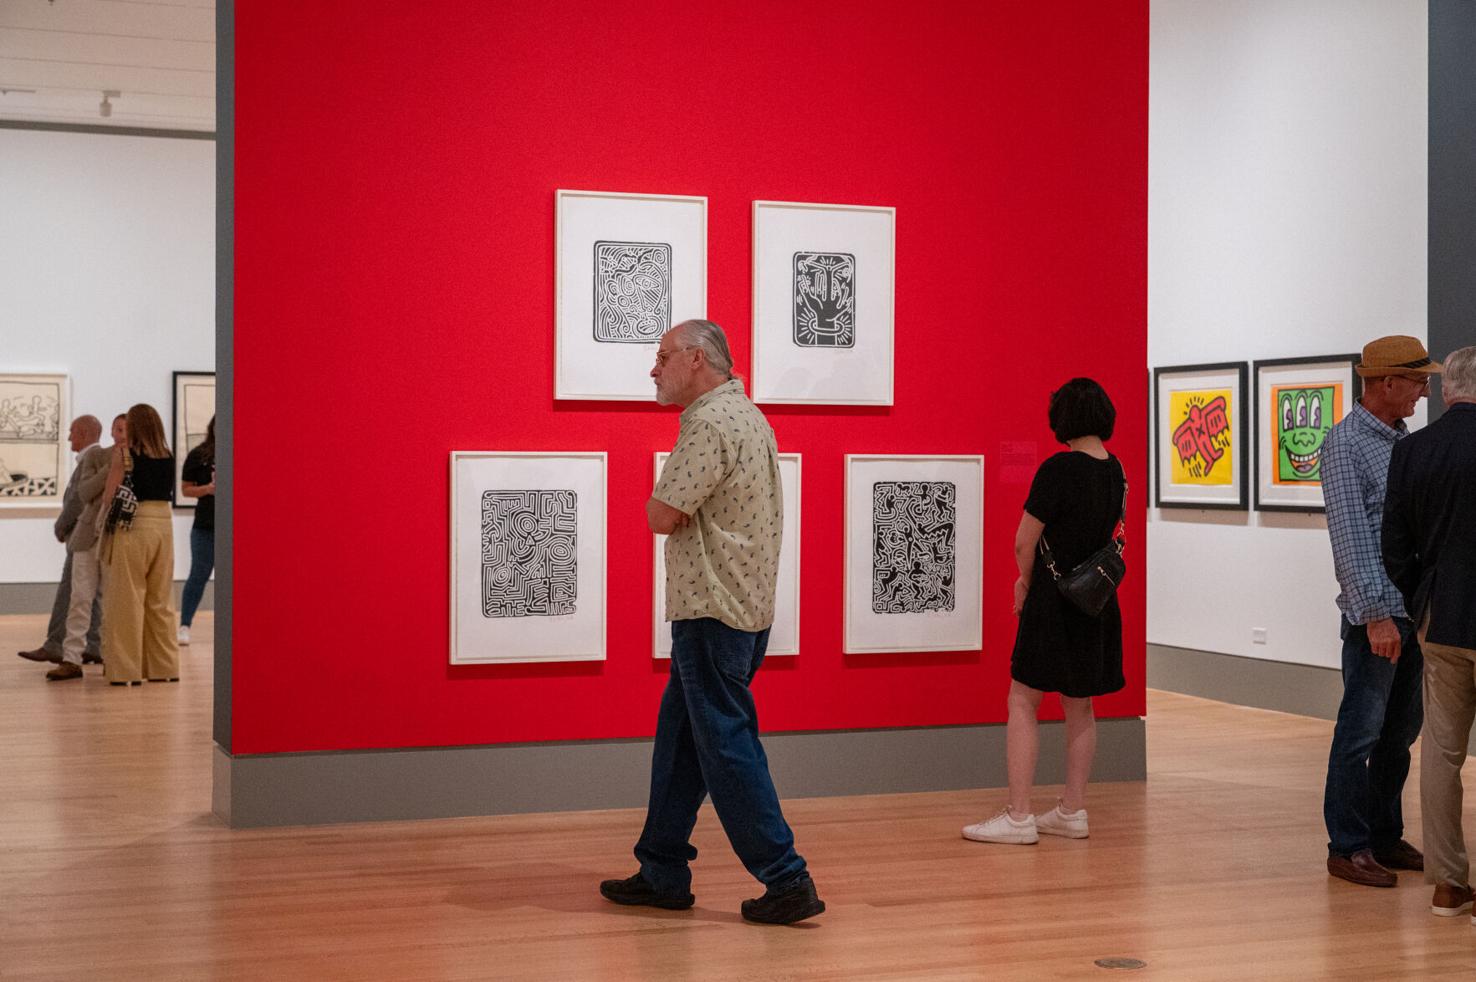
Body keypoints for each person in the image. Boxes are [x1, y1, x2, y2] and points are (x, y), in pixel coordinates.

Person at [599, 319, 824, 925]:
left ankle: (786, 877)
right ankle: (662, 868)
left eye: (663, 356)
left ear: (696, 359)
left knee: (726, 746)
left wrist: (653, 504)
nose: (654, 368)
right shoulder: (749, 415)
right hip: (742, 612)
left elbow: (661, 513)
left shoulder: (707, 424)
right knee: (682, 742)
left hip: (711, 612)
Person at [962, 378, 1125, 845]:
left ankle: (1018, 816)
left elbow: (1022, 541)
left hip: (1054, 602)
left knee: (1023, 700)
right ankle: (1072, 811)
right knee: (1081, 706)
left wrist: (1027, 585)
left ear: (1064, 418)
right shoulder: (1116, 471)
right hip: (1095, 602)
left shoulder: (1059, 469)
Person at [1320, 335, 1439, 888]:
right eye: (1417, 381)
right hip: (1381, 618)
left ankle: (1385, 835)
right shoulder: (1345, 444)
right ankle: (1348, 845)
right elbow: (1351, 538)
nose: (1423, 391)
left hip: (1411, 613)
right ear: (1386, 384)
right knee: (1360, 733)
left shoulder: (1400, 440)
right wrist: (1375, 614)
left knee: (1399, 733)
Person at [1382, 344, 1476, 918]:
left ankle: (1447, 883)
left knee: (1441, 754)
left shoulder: (1414, 450)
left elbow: (1395, 547)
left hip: (1441, 620)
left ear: (1445, 392)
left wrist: (1422, 596)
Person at [15, 415, 112, 673]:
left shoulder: (93, 458)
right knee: (87, 594)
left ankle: (60, 647)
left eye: (72, 432)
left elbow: (80, 499)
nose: (69, 437)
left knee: (73, 593)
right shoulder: (95, 458)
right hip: (86, 534)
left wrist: (61, 526)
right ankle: (90, 646)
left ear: (84, 433)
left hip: (84, 535)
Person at [99, 403, 180, 686]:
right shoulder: (168, 455)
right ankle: (165, 667)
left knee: (127, 598)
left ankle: (125, 671)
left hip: (134, 525)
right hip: (164, 525)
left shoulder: (124, 454)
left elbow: (110, 495)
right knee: (160, 600)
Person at [177, 415, 216, 645]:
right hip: (205, 527)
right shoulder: (198, 455)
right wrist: (208, 489)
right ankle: (184, 625)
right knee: (198, 576)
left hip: (235, 529)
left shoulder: (242, 450)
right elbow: (185, 489)